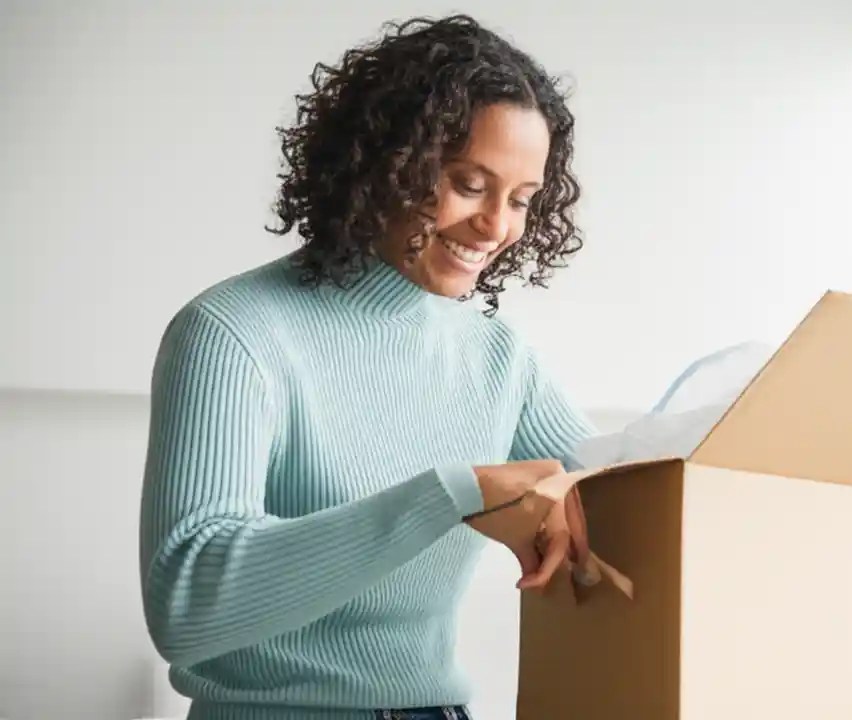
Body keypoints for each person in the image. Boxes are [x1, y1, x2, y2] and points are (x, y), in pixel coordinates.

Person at [138, 15, 596, 719]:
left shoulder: (500, 359)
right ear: (385, 163)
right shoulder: (233, 334)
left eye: (521, 201)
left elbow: (624, 497)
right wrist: (452, 494)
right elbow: (189, 602)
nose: (497, 227)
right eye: (469, 184)